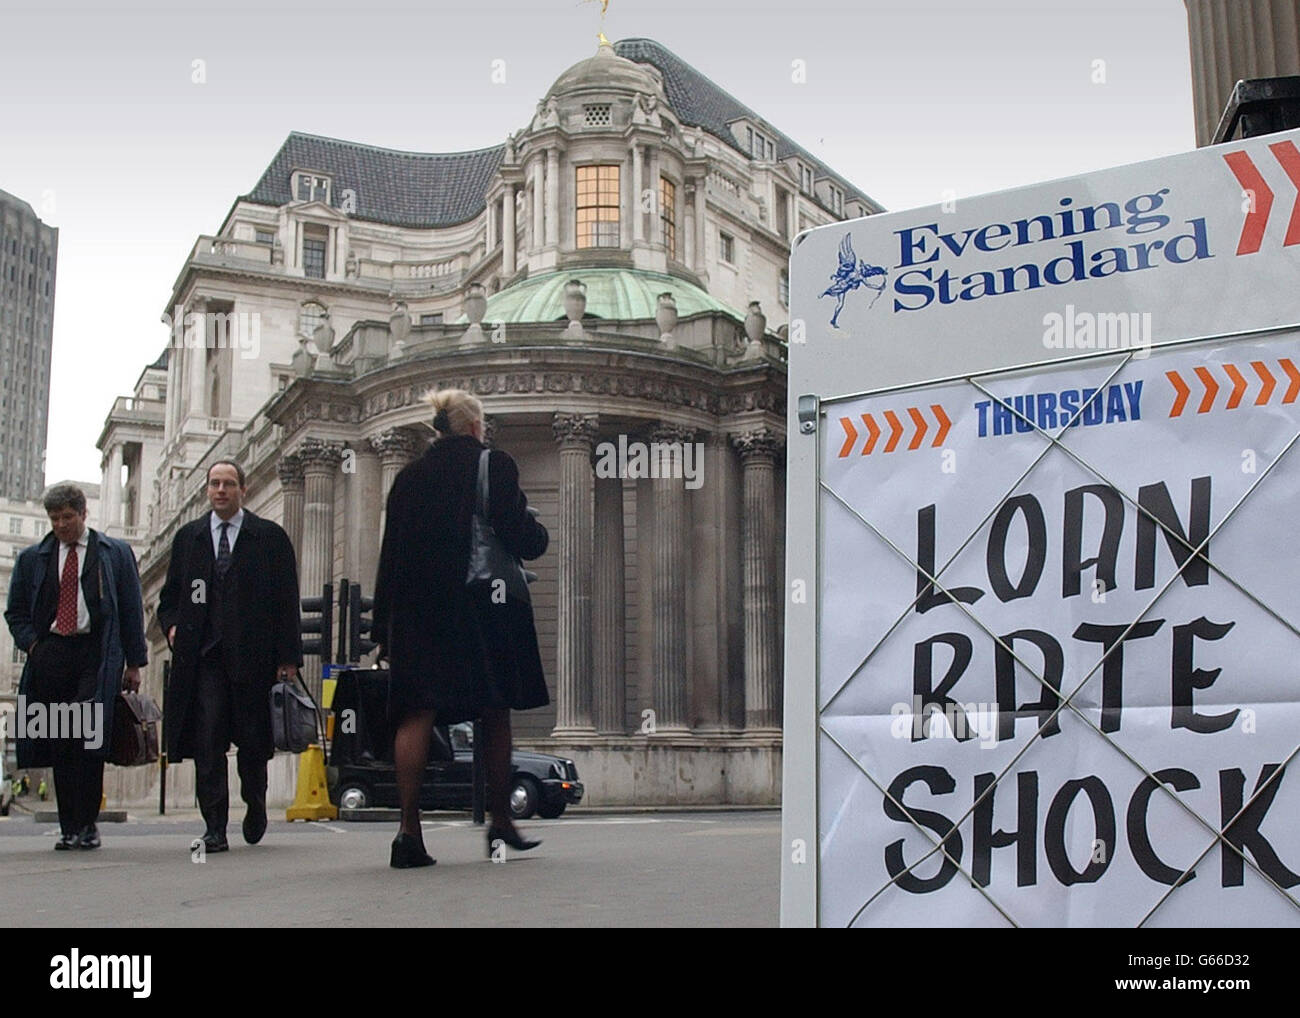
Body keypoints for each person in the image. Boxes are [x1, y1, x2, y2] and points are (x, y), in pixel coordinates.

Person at [374, 388, 550, 868]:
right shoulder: (494, 465)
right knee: (494, 710)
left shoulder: (407, 477)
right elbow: (521, 535)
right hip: (481, 607)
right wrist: (537, 532)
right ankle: (500, 820)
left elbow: (390, 554)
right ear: (475, 427)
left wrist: (382, 629)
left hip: (416, 614)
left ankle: (408, 833)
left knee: (416, 713)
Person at [158, 460, 302, 853]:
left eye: (228, 484)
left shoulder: (268, 537)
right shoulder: (189, 539)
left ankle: (255, 804)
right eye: (214, 484)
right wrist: (171, 627)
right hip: (204, 658)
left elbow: (287, 600)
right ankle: (215, 827)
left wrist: (288, 657)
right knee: (208, 741)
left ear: (242, 490)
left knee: (254, 742)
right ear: (207, 490)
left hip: (254, 658)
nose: (220, 490)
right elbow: (169, 599)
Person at [4, 484, 147, 849]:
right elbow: (15, 612)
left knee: (88, 740)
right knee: (60, 741)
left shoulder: (113, 553)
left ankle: (87, 825)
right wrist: (33, 645)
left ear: (84, 514)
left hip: (95, 653)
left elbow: (131, 608)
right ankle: (70, 827)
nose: (61, 525)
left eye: (67, 517)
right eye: (54, 519)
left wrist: (135, 662)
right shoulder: (32, 558)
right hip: (50, 654)